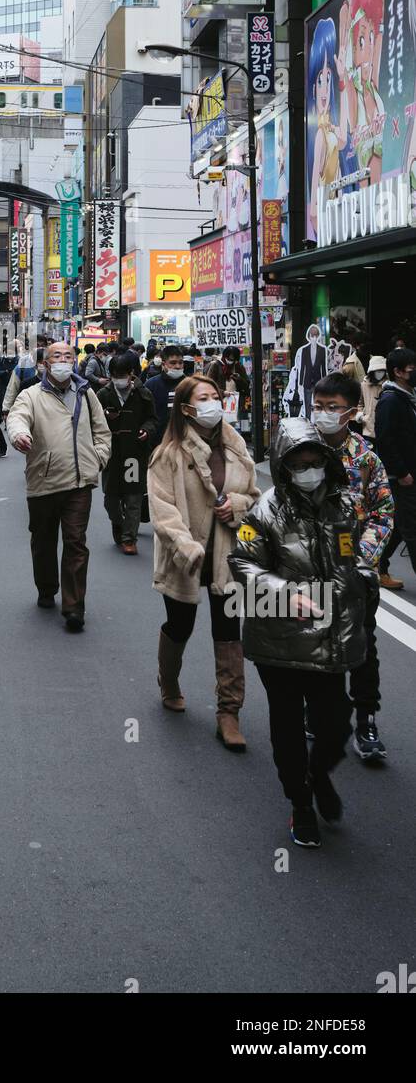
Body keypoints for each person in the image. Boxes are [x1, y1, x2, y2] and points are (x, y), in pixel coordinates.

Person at [229, 419, 372, 848]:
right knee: (288, 726)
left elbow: (352, 554)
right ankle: (300, 801)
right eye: (299, 464)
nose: (308, 471)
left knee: (335, 726)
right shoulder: (265, 511)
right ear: (284, 466)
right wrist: (284, 593)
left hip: (331, 635)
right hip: (279, 637)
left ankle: (317, 773)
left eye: (315, 462)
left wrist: (364, 578)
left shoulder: (344, 505)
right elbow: (243, 563)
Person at [148, 374, 259, 751]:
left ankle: (229, 711)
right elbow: (163, 512)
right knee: (180, 625)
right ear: (186, 408)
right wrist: (186, 547)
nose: (214, 402)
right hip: (186, 556)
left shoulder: (237, 447)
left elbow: (255, 496)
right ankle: (169, 680)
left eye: (216, 395)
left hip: (229, 555)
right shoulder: (169, 455)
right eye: (204, 397)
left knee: (229, 631)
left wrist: (239, 507)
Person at [311, 371, 393, 756]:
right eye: (318, 407)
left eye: (333, 408)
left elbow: (383, 513)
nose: (324, 414)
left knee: (362, 647)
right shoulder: (299, 450)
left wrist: (363, 562)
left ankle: (366, 721)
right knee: (314, 644)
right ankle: (317, 715)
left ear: (352, 412)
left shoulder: (366, 458)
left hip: (357, 576)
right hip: (309, 572)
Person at [6, 342, 111, 632]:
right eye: (57, 356)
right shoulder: (31, 395)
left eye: (68, 356)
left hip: (80, 482)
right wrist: (19, 435)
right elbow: (16, 418)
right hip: (44, 480)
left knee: (76, 542)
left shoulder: (87, 393)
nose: (64, 360)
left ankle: (74, 607)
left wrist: (97, 459)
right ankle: (46, 587)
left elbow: (102, 431)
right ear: (46, 364)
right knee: (43, 540)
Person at [97, 351, 156, 554]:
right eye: (116, 375)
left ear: (131, 374)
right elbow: (93, 423)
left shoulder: (143, 394)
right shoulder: (102, 395)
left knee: (133, 498)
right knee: (111, 499)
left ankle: (129, 538)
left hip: (134, 454)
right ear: (111, 374)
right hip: (111, 454)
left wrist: (146, 431)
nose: (120, 379)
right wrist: (106, 416)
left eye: (123, 375)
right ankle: (118, 524)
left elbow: (152, 419)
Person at [375, 346, 416, 587]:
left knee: (401, 527)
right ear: (398, 372)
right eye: (412, 369)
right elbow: (386, 440)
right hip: (402, 476)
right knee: (411, 527)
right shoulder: (390, 400)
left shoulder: (408, 397)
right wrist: (402, 473)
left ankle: (377, 564)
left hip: (409, 472)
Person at [147, 345, 185, 445]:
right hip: (158, 440)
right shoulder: (151, 384)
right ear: (163, 364)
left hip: (183, 439)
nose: (177, 366)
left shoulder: (189, 384)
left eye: (180, 363)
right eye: (173, 363)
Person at [1, 347, 45, 414]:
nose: (39, 347)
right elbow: (12, 388)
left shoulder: (56, 375)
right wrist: (6, 409)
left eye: (42, 345)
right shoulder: (22, 367)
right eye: (36, 345)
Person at [358, 354, 387, 445]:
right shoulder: (364, 385)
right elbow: (360, 403)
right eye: (377, 371)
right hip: (368, 428)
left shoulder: (388, 384)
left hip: (385, 427)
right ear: (371, 371)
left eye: (382, 370)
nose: (380, 373)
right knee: (370, 456)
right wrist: (362, 416)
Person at [0, 345, 19, 422]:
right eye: (8, 352)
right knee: (2, 401)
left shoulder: (18, 360)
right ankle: (3, 417)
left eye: (12, 351)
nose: (10, 353)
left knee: (14, 401)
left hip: (14, 383)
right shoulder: (1, 360)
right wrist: (5, 372)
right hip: (3, 384)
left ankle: (12, 418)